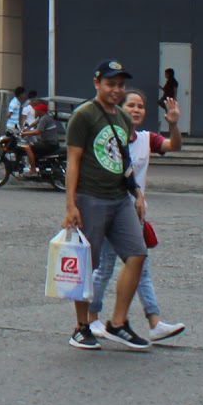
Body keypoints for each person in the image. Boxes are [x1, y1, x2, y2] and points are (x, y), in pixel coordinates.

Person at [63, 60, 152, 350]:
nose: (116, 89)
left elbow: (122, 160)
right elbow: (73, 161)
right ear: (97, 83)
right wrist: (70, 205)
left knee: (137, 254)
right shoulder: (84, 116)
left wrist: (136, 193)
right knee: (88, 263)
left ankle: (117, 322)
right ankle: (81, 327)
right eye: (110, 84)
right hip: (91, 198)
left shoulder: (123, 119)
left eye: (120, 85)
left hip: (119, 197)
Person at [86, 89, 186, 343]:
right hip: (113, 212)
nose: (137, 110)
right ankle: (90, 318)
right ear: (120, 108)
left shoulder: (145, 138)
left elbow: (174, 145)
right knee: (105, 268)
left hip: (134, 215)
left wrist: (173, 124)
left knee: (141, 267)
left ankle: (154, 321)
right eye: (131, 105)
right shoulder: (109, 138)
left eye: (141, 106)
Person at [19, 99, 62, 177]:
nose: (34, 112)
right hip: (50, 143)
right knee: (33, 145)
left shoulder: (44, 119)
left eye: (36, 110)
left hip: (49, 144)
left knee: (27, 147)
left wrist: (24, 133)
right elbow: (35, 123)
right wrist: (27, 128)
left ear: (40, 111)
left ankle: (32, 170)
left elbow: (37, 132)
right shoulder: (44, 117)